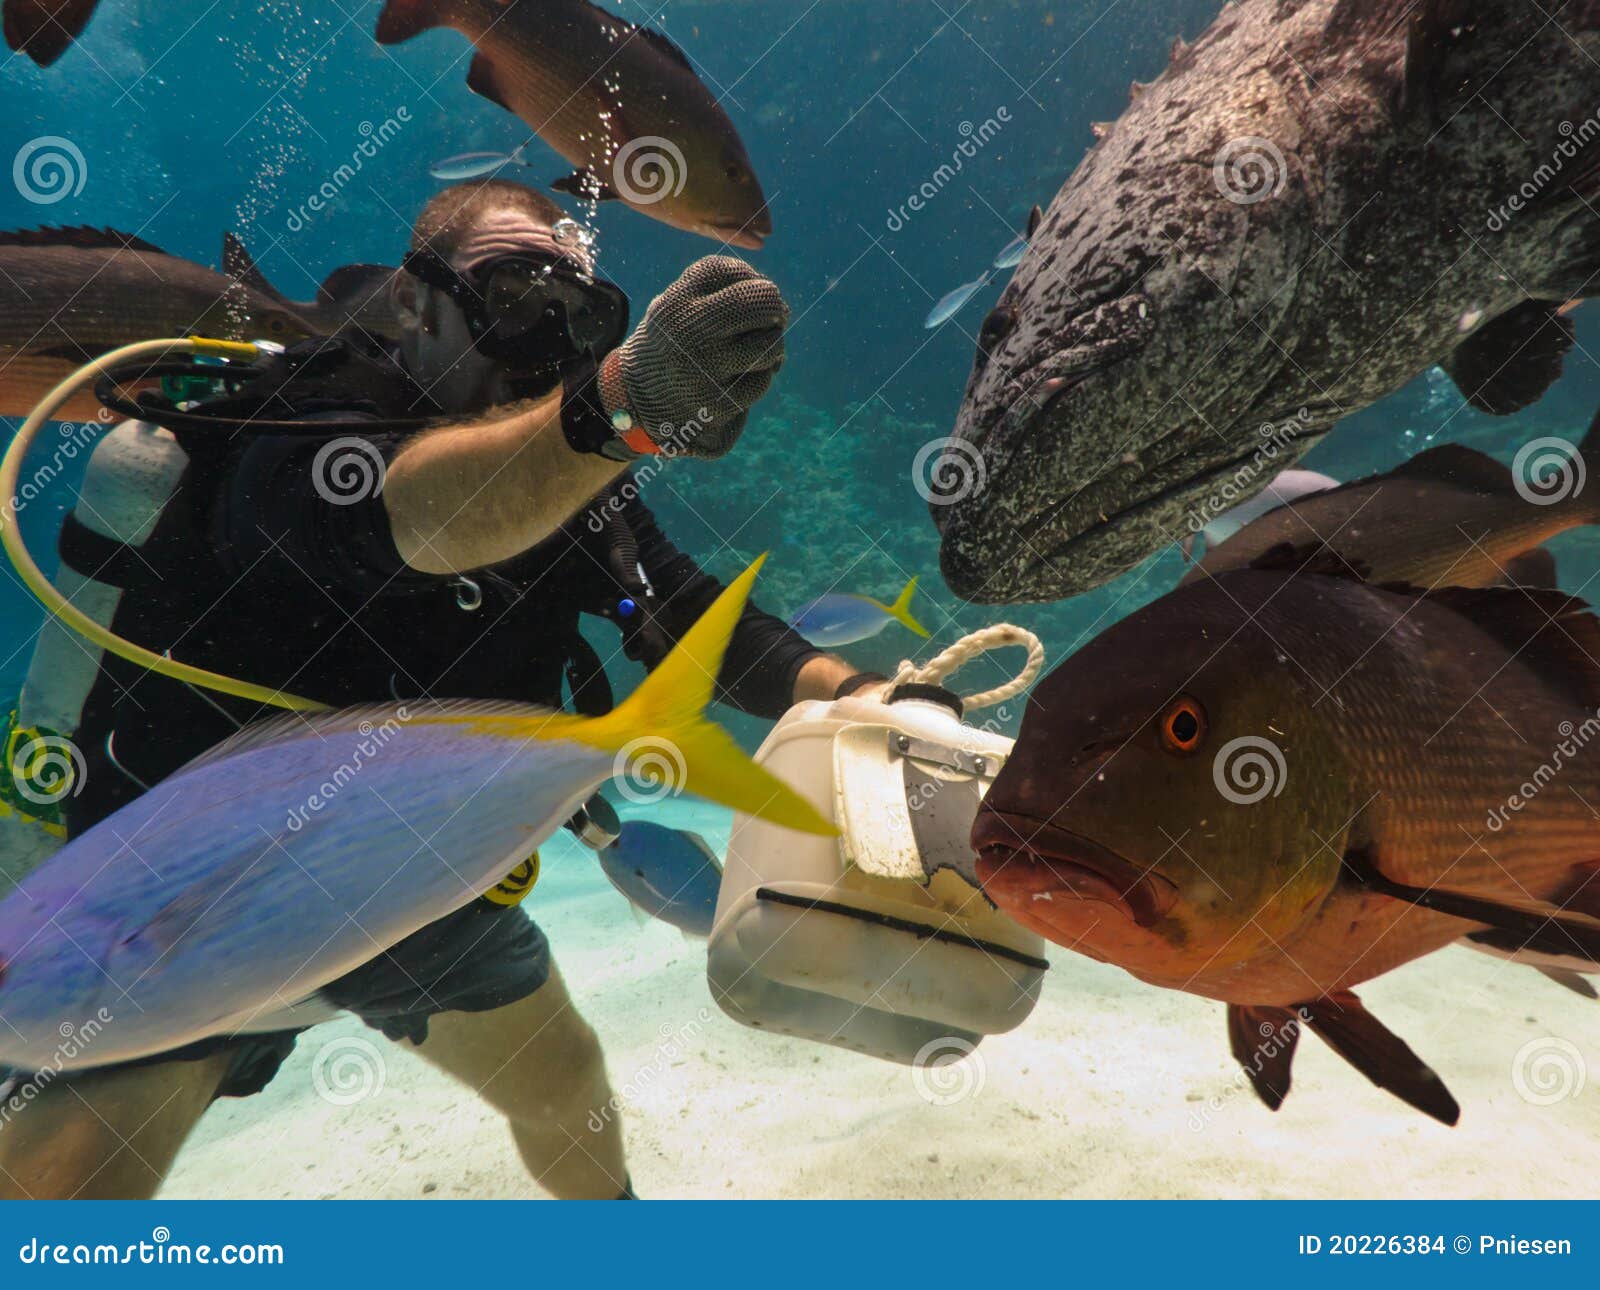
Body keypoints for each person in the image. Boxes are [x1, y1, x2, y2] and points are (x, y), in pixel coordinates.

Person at [0, 181, 876, 1200]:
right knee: (69, 1193)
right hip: (187, 897)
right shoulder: (289, 427)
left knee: (566, 1088)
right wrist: (614, 409)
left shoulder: (567, 476)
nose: (547, 336)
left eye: (579, 316)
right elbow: (425, 517)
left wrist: (858, 690)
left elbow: (678, 611)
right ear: (414, 305)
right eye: (514, 295)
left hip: (406, 879)